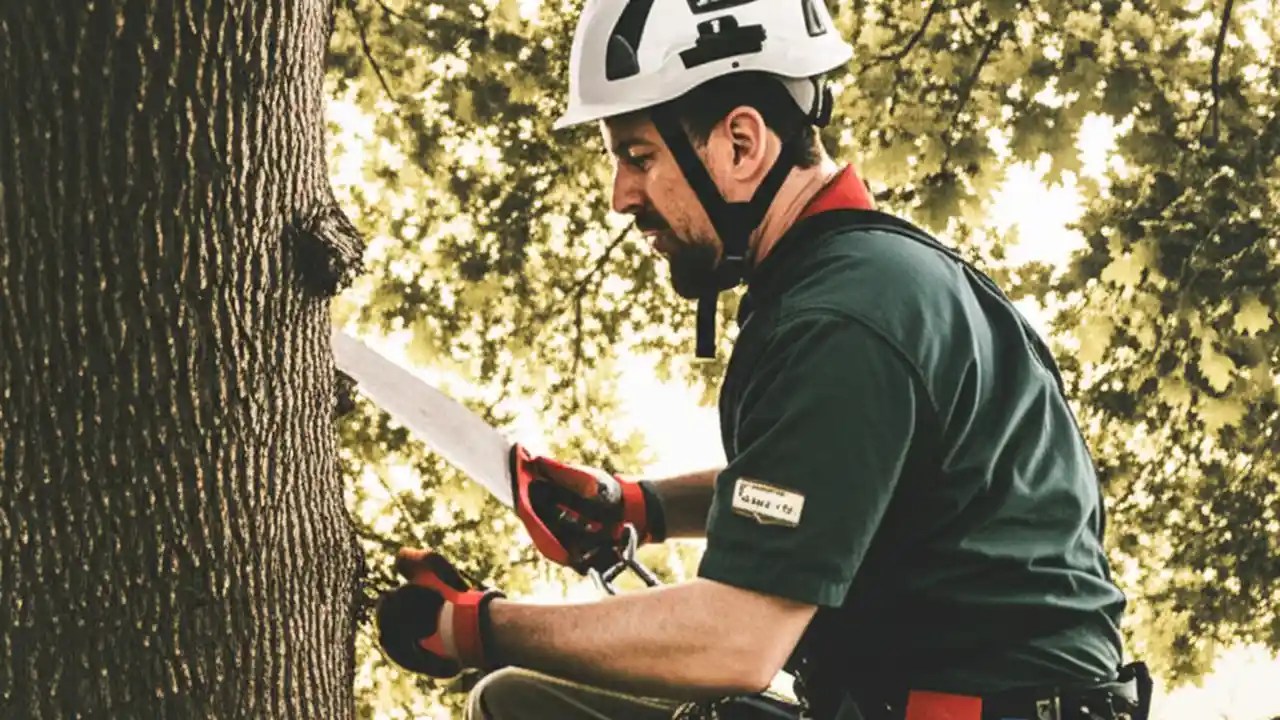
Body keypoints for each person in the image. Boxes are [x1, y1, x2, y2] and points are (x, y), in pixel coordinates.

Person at [375, 1, 1152, 718]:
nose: (620, 195)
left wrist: (474, 626)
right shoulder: (870, 281)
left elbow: (734, 641)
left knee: (509, 694)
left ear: (741, 144)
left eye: (638, 155)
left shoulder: (842, 317)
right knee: (520, 704)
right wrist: (641, 507)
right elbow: (838, 487)